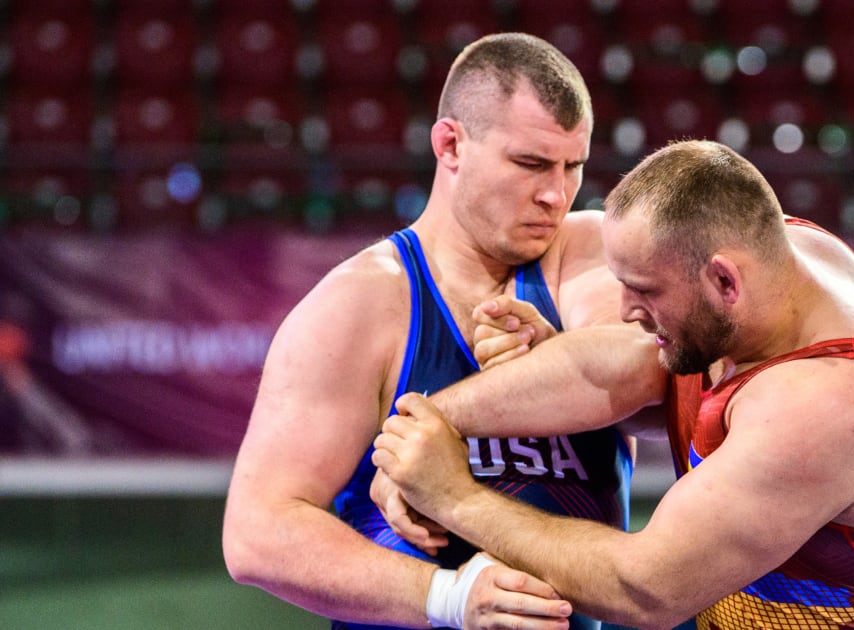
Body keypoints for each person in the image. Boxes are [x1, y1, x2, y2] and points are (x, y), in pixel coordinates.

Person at [372, 140, 854, 629]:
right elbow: (645, 369)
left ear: (724, 282)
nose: (624, 311)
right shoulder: (767, 266)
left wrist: (454, 495)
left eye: (643, 291)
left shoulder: (828, 404)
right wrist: (429, 423)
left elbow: (647, 588)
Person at [222, 33, 641, 630]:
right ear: (450, 145)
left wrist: (542, 366)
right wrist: (448, 597)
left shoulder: (585, 254)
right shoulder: (361, 305)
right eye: (530, 163)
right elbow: (257, 533)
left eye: (572, 166)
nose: (554, 193)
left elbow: (640, 361)